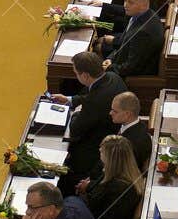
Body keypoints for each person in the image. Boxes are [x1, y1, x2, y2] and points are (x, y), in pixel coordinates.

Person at [49, 52, 126, 192]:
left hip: (95, 146)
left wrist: (77, 111)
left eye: (76, 73)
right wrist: (70, 100)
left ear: (85, 75)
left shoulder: (95, 101)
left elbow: (76, 128)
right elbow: (89, 96)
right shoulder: (113, 77)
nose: (75, 76)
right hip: (109, 130)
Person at [81, 135, 144, 219]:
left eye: (102, 151)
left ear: (111, 159)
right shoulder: (119, 174)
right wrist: (88, 186)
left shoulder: (118, 188)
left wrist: (82, 197)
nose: (99, 150)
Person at [101, 0, 161, 77]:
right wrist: (110, 58)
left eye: (130, 2)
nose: (125, 5)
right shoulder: (140, 15)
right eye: (125, 0)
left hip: (132, 78)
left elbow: (132, 68)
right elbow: (123, 43)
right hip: (118, 62)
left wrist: (110, 67)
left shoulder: (142, 33)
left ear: (144, 5)